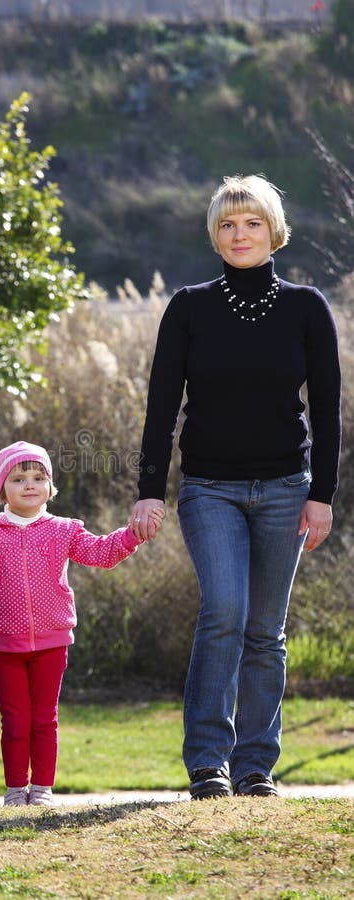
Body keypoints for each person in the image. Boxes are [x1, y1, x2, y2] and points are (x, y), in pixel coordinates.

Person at [130, 175, 341, 801]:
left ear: (273, 230)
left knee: (266, 630)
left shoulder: (308, 308)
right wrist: (150, 489)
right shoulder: (189, 307)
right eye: (227, 224)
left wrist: (321, 495)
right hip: (210, 489)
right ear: (214, 237)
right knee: (224, 611)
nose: (239, 234)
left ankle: (254, 766)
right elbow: (162, 405)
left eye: (251, 223)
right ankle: (208, 763)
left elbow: (328, 411)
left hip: (286, 489)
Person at [0, 440, 164, 806]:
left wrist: (132, 535)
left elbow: (101, 553)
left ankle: (42, 789)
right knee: (14, 721)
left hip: (52, 642)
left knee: (44, 719)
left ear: (49, 486)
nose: (29, 484)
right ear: (2, 490)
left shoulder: (64, 529)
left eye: (37, 476)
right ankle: (15, 790)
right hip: (6, 644)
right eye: (17, 478)